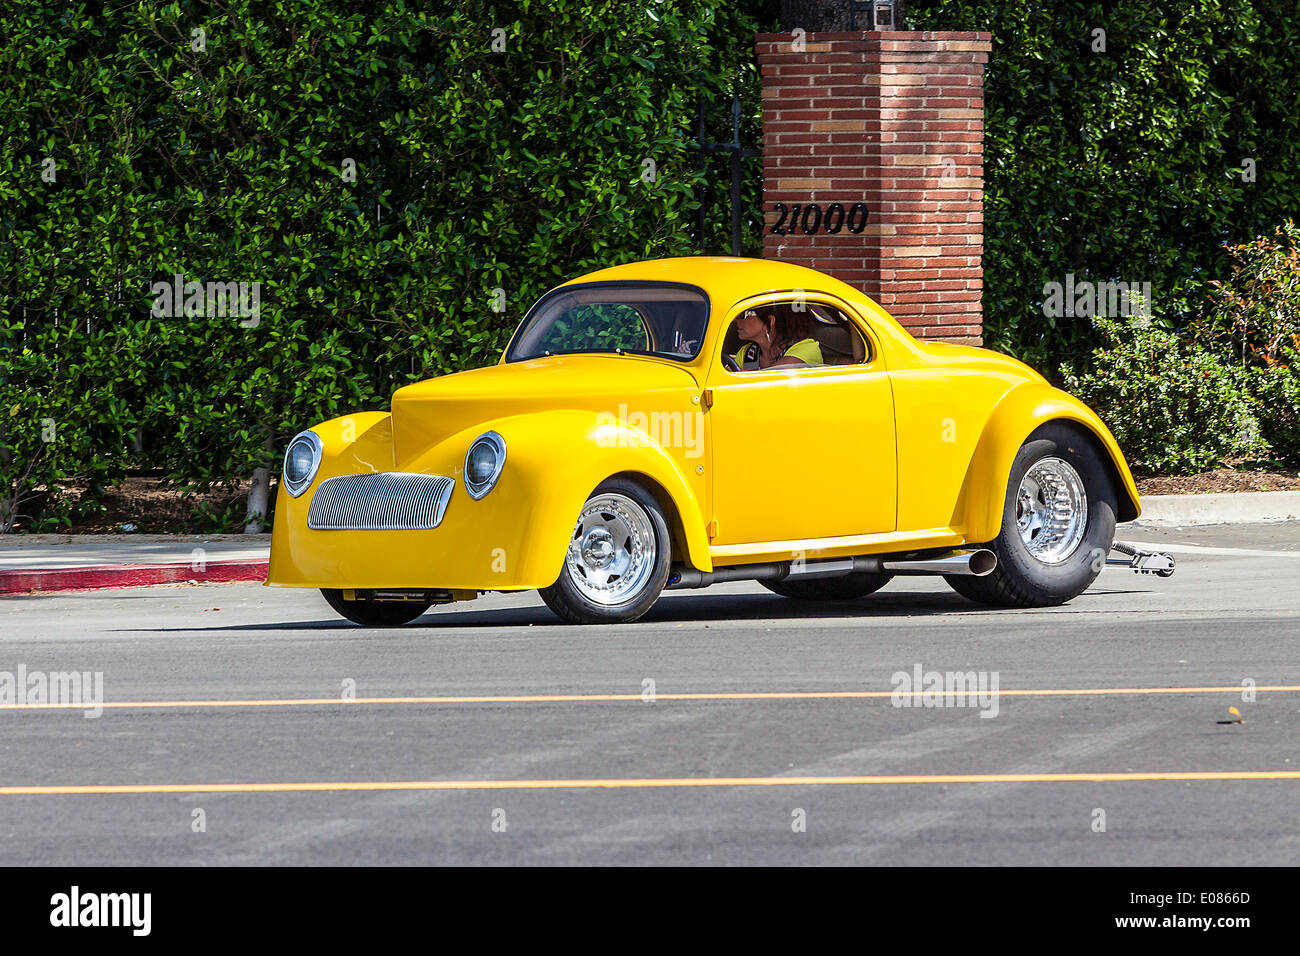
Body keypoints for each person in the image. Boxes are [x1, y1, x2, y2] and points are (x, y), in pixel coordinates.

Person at [731, 307, 823, 370]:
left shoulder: (806, 348)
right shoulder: (746, 353)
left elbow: (771, 379)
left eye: (744, 314)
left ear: (770, 320)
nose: (736, 320)